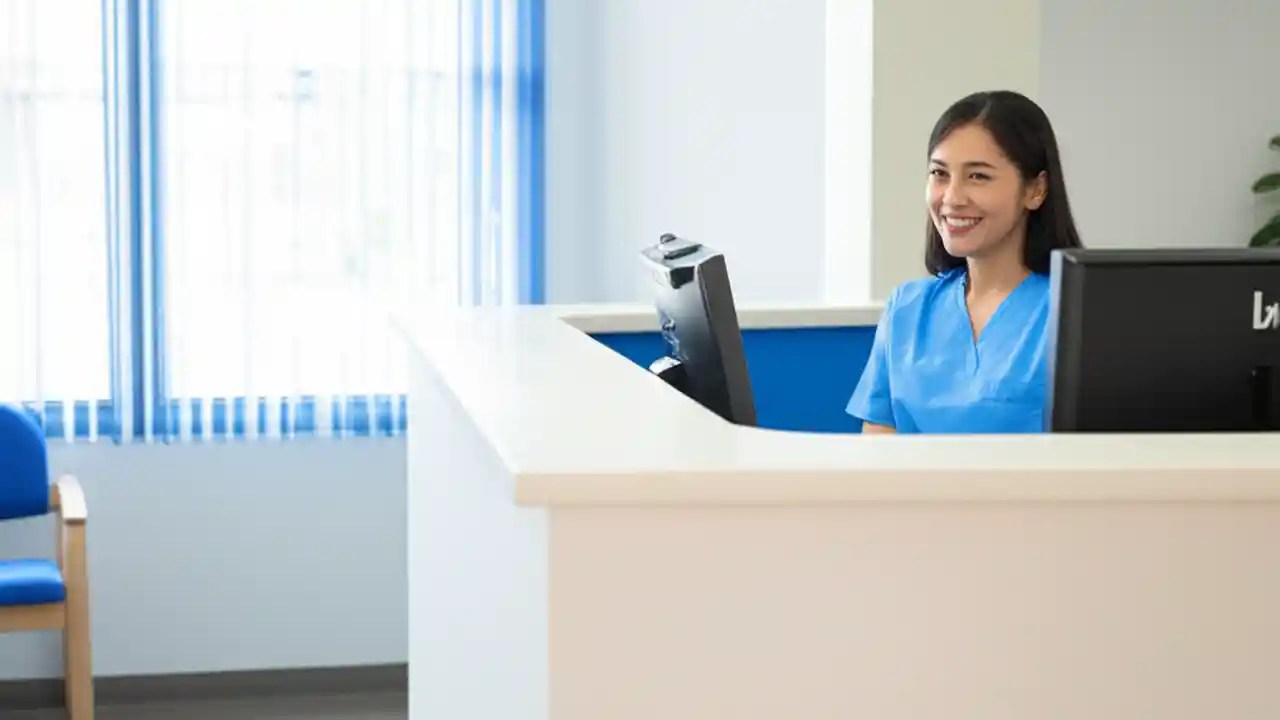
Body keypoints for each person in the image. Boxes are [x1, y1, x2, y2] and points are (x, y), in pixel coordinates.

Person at [846, 90, 1084, 434]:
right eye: (940, 174)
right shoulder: (906, 309)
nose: (952, 198)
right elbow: (878, 455)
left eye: (978, 176)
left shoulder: (1073, 315)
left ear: (1035, 190)